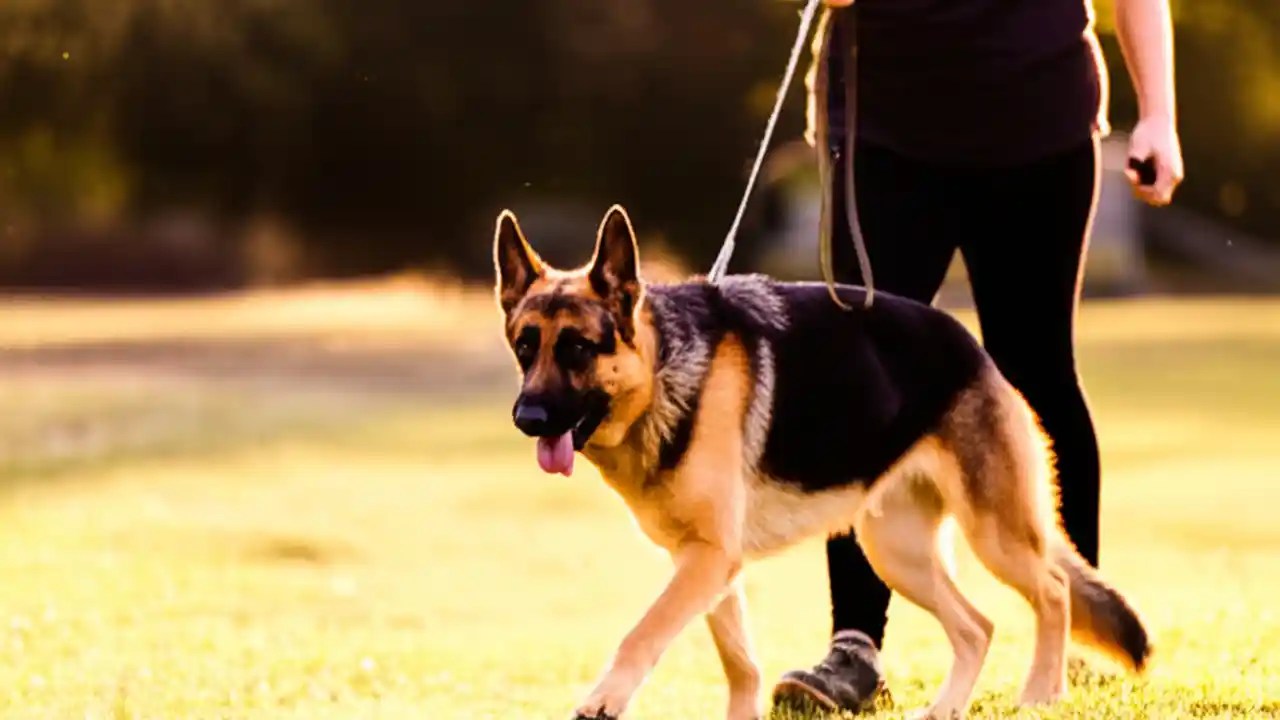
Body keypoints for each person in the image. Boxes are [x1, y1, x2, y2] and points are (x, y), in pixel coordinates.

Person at [770, 0, 1184, 712]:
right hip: (881, 133)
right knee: (860, 387)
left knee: (1039, 373)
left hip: (1038, 123)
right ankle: (855, 648)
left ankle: (1074, 643)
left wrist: (1159, 116)